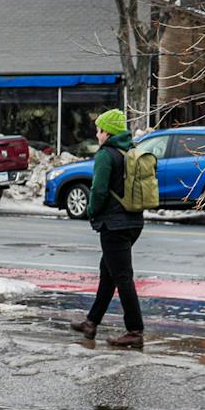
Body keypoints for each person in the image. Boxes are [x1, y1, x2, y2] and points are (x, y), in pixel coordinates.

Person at [72, 108, 145, 348]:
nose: (97, 134)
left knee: (122, 277)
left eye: (99, 130)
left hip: (114, 225)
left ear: (108, 132)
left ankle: (135, 330)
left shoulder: (106, 154)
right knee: (109, 272)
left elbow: (99, 190)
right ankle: (91, 322)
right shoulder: (130, 150)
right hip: (133, 221)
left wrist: (92, 211)